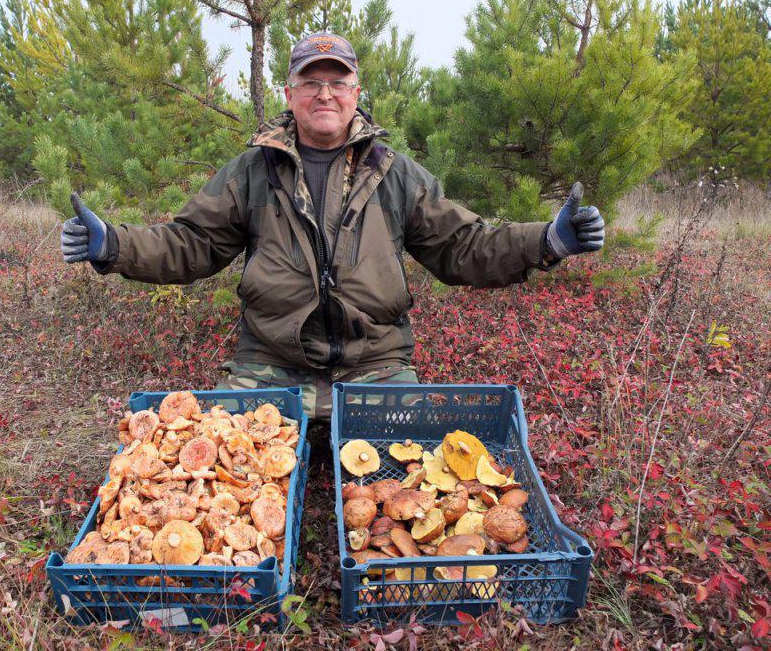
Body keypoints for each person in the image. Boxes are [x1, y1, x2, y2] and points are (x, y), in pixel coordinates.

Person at [60, 32, 605, 420]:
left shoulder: (394, 172)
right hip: (270, 363)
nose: (325, 94)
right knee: (230, 468)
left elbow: (463, 246)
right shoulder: (252, 172)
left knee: (406, 484)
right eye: (311, 81)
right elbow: (192, 244)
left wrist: (548, 239)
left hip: (375, 363)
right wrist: (112, 243)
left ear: (356, 93)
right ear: (289, 93)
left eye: (337, 82)